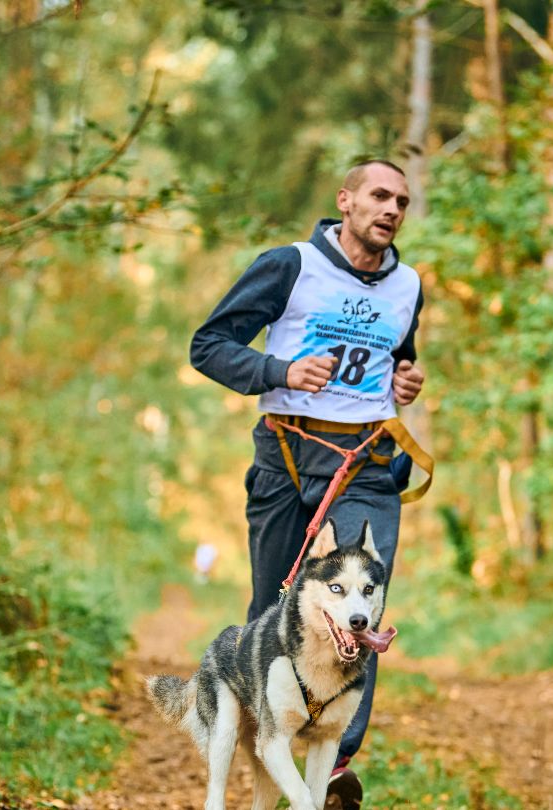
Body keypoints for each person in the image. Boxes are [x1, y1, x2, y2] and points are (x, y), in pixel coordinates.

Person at [189, 159, 429, 809]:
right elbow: (208, 345)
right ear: (345, 200)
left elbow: (399, 357)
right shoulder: (290, 265)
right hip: (285, 453)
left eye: (402, 201)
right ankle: (271, 738)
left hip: (367, 461)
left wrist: (406, 378)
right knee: (274, 610)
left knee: (355, 602)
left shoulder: (407, 284)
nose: (392, 208)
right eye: (379, 195)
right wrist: (280, 369)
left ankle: (334, 768)